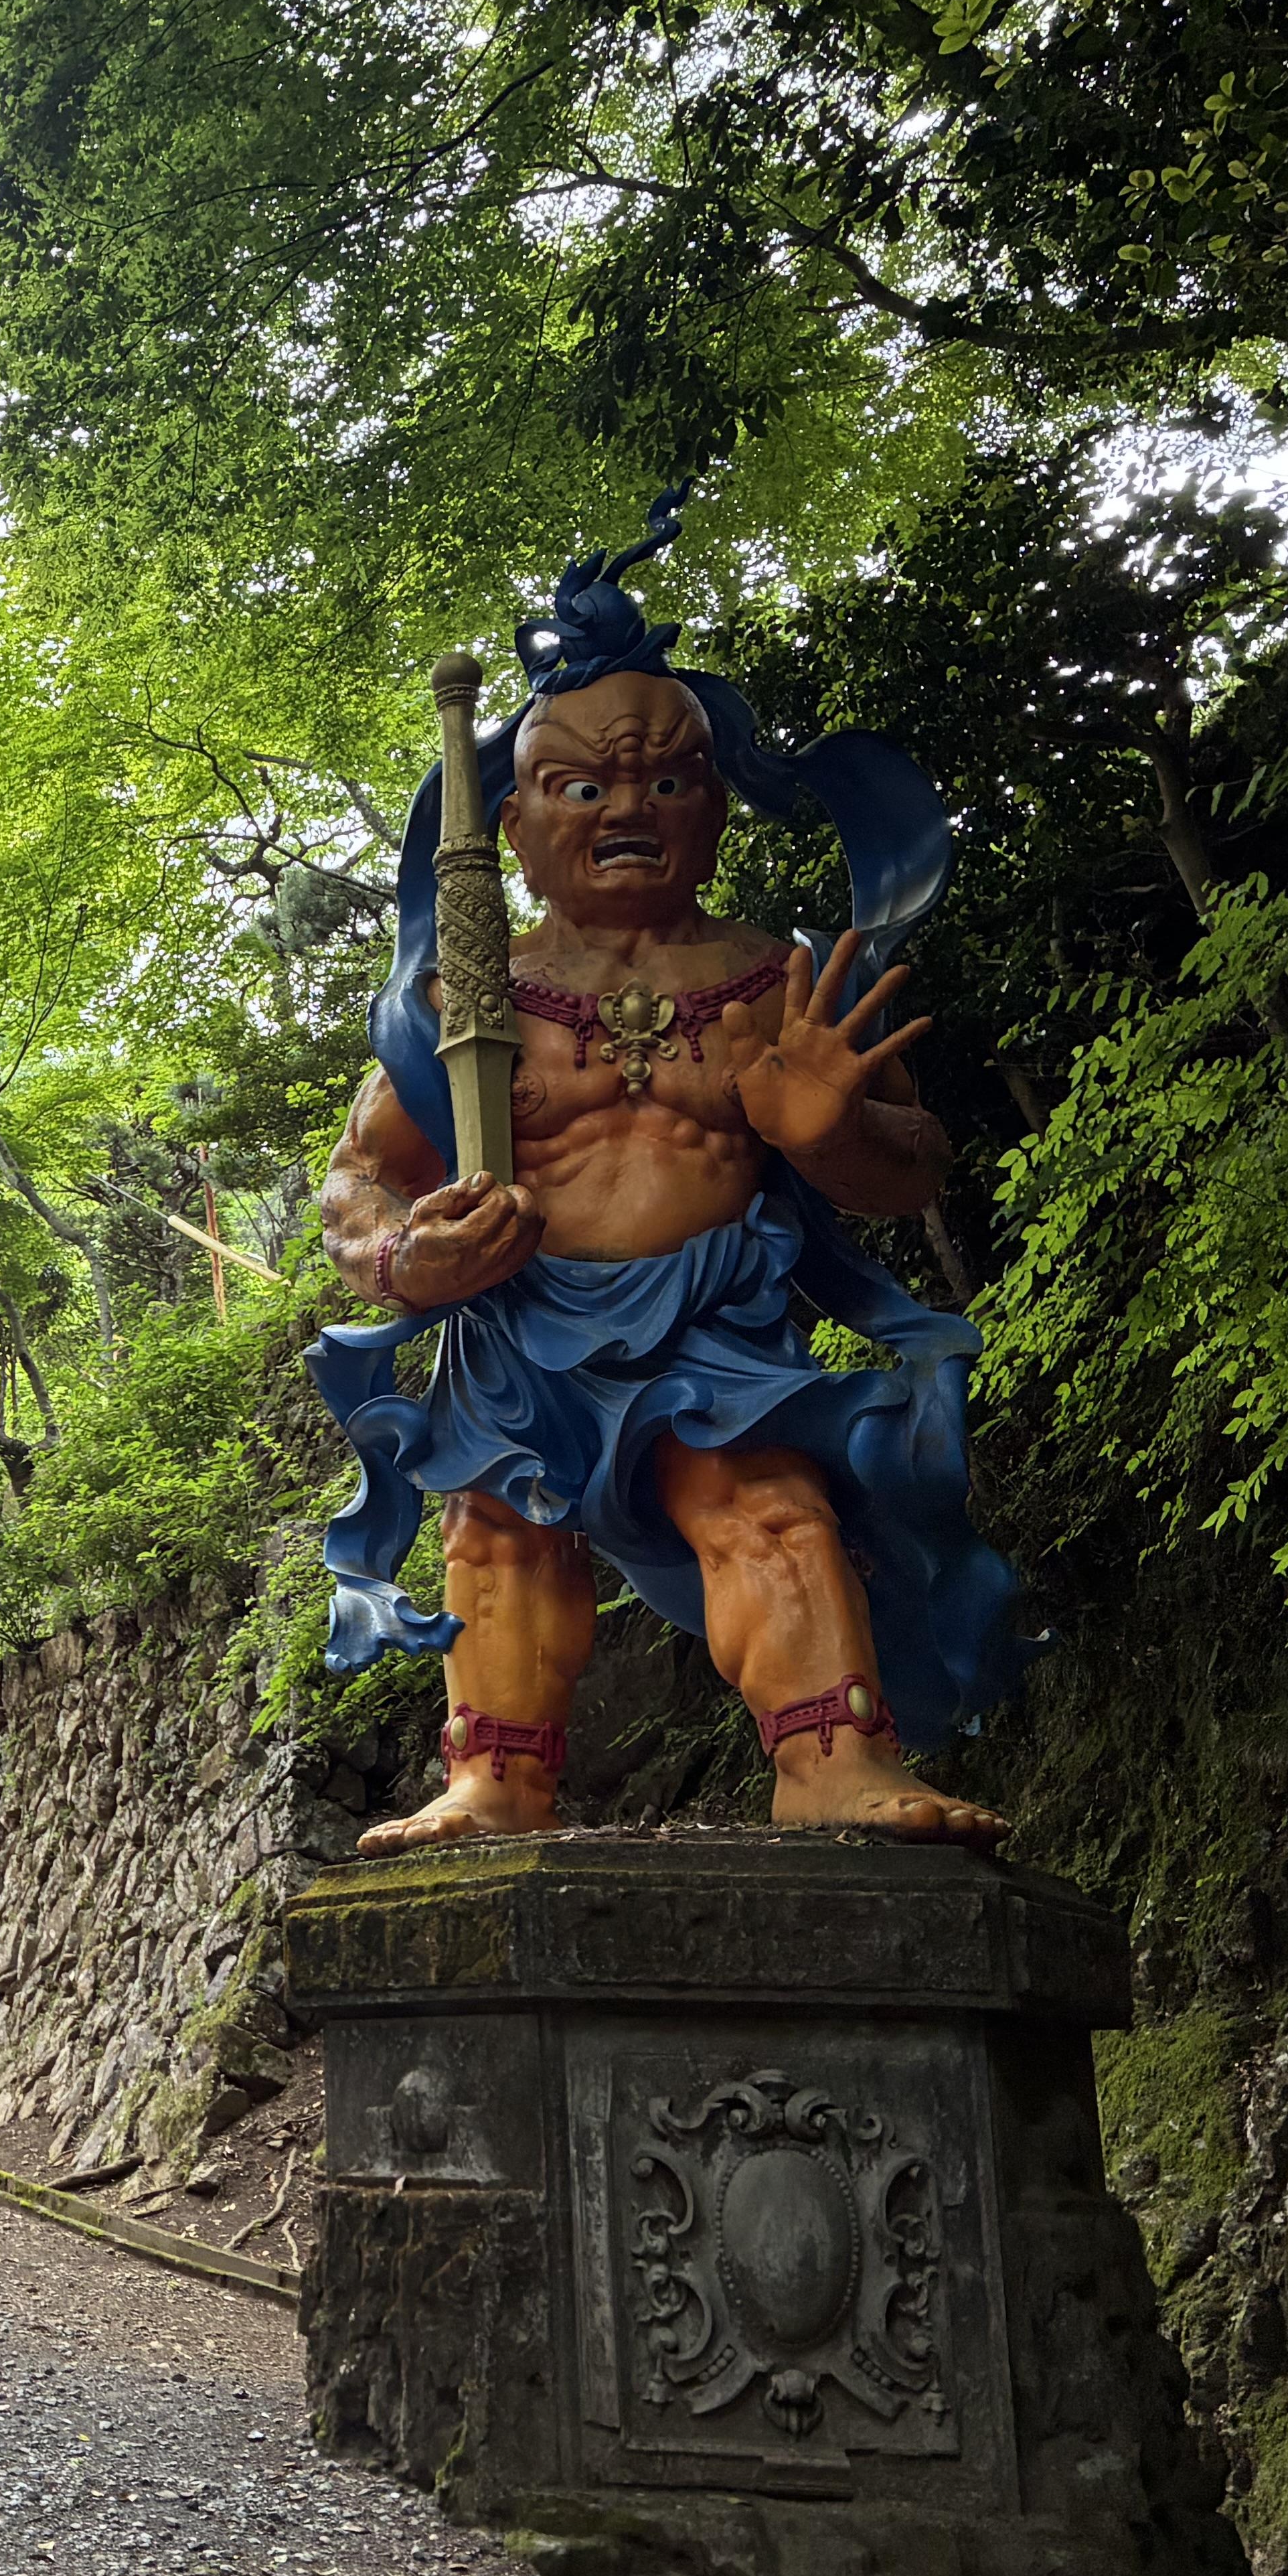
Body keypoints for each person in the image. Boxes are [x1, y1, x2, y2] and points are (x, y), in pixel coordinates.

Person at [312, 498, 1028, 1853]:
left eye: (664, 779)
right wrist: (411, 1255)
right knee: (501, 1539)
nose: (626, 806)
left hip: (717, 1324)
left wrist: (828, 1135)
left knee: (769, 1508)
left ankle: (837, 1762)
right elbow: (356, 1180)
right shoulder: (473, 1000)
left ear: (717, 802)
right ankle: (494, 1782)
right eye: (583, 784)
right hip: (523, 1324)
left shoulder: (780, 982)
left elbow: (914, 1167)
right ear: (516, 823)